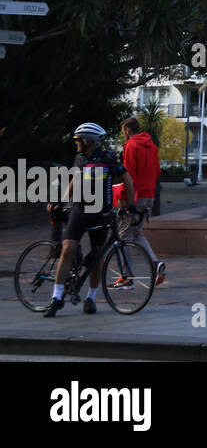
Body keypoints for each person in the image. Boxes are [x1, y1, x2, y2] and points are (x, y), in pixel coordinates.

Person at [43, 122, 135, 316]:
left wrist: (131, 203)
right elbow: (74, 181)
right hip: (79, 210)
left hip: (101, 214)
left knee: (97, 258)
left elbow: (126, 178)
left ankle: (91, 298)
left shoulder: (108, 157)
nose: (76, 143)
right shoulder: (79, 158)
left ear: (88, 141)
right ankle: (56, 298)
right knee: (67, 250)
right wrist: (62, 200)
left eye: (78, 140)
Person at [119, 117, 165, 285]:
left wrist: (125, 199)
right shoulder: (151, 146)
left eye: (123, 130)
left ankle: (126, 277)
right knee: (137, 233)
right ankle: (155, 263)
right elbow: (158, 170)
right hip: (149, 195)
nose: (123, 133)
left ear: (128, 130)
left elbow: (128, 175)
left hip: (135, 196)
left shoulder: (131, 146)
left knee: (124, 235)